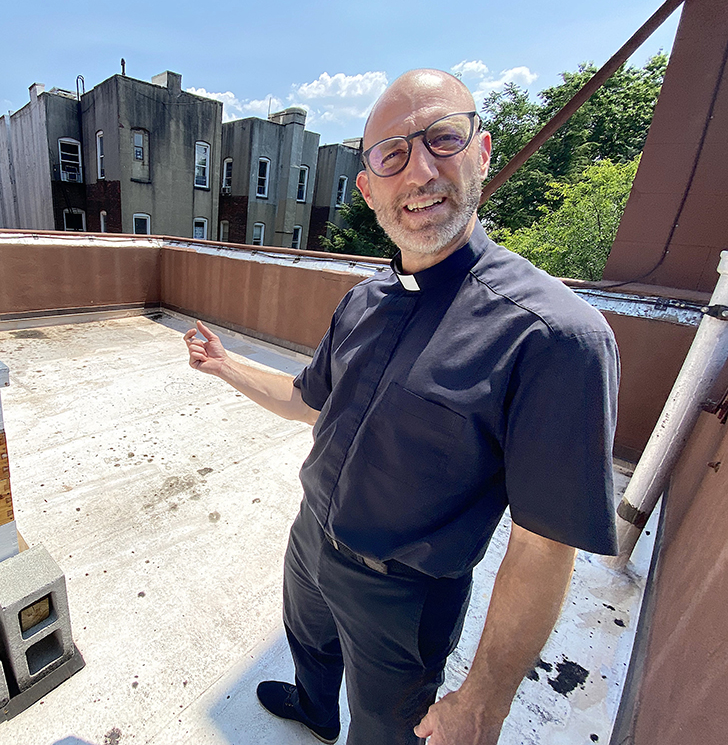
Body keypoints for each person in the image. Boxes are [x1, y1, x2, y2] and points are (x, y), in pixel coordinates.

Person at [183, 69, 618, 745]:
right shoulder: (364, 300)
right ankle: (314, 707)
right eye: (391, 153)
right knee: (310, 649)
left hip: (402, 597)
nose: (418, 170)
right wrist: (223, 365)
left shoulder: (555, 337)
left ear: (482, 151)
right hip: (310, 539)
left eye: (441, 139)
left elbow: (542, 546)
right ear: (368, 187)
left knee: (386, 731)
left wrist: (482, 703)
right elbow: (308, 403)